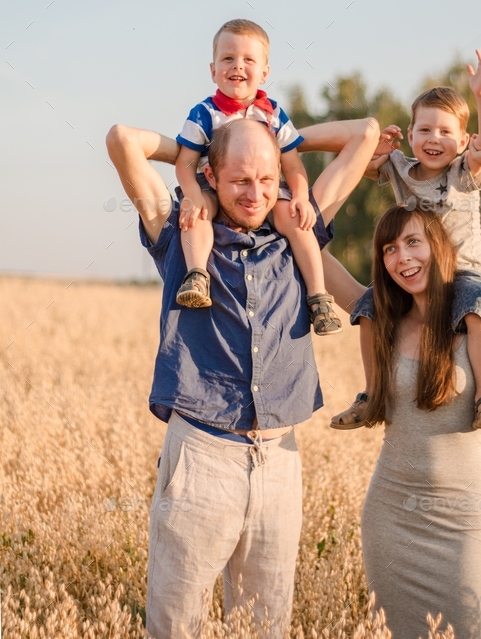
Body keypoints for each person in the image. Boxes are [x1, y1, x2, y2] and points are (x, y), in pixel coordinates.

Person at [105, 114, 379, 639]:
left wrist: (283, 139)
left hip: (280, 459)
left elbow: (364, 134)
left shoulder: (297, 231)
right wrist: (193, 153)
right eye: (239, 180)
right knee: (175, 624)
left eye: (267, 179)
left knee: (264, 626)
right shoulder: (180, 235)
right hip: (202, 456)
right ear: (212, 176)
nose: (255, 194)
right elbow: (122, 140)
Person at [323, 136, 481, 637]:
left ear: (440, 246)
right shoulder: (380, 316)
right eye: (389, 248)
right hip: (389, 514)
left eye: (413, 242)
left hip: (460, 520)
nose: (401, 257)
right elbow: (311, 244)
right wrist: (357, 152)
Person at [331, 48, 481, 431]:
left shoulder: (463, 171)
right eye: (425, 130)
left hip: (464, 272)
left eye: (446, 132)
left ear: (463, 141)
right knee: (368, 309)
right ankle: (370, 395)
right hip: (415, 271)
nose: (434, 139)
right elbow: (354, 165)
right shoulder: (399, 167)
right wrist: (372, 148)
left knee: (478, 314)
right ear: (410, 135)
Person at [174, 18, 342, 336]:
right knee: (197, 214)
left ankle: (319, 298)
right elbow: (185, 162)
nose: (238, 66)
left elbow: (292, 166)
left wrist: (302, 196)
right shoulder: (204, 113)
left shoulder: (274, 113)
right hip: (214, 187)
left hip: (264, 191)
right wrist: (193, 194)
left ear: (264, 71)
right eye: (228, 59)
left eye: (248, 59)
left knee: (293, 217)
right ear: (213, 70)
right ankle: (197, 275)